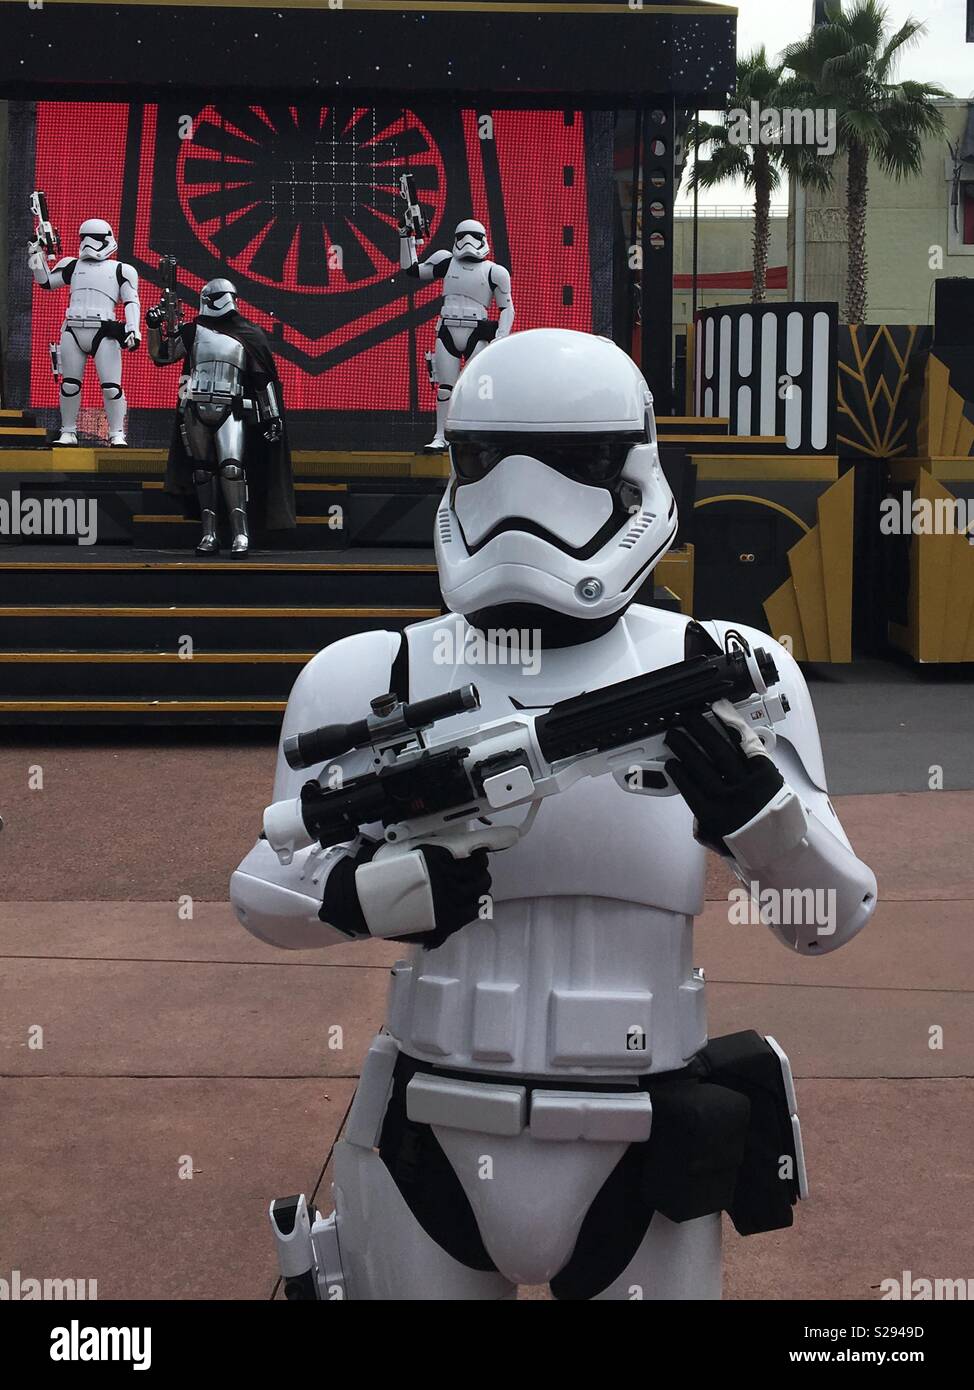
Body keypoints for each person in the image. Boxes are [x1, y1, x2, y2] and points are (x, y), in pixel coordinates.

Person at [231, 329, 877, 1300]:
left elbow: (828, 918)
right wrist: (377, 893)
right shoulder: (372, 674)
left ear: (630, 469)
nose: (519, 494)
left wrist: (762, 820)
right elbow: (263, 889)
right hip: (430, 1123)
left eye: (570, 459)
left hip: (642, 1131)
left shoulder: (718, 664)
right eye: (487, 457)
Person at [146, 279, 295, 554]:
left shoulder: (249, 334)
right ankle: (209, 534)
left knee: (231, 469)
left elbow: (262, 379)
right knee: (202, 471)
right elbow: (161, 355)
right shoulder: (193, 331)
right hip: (196, 408)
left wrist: (272, 415)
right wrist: (154, 327)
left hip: (231, 408)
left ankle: (241, 534)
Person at [401, 217, 514, 451]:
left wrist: (500, 338)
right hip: (448, 330)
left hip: (477, 333)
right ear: (455, 239)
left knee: (476, 389)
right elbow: (412, 270)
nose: (468, 242)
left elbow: (507, 308)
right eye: (462, 236)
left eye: (474, 236)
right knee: (445, 388)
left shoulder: (495, 272)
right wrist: (405, 237)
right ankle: (441, 436)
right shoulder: (446, 262)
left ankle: (477, 435)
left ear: (483, 239)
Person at [28, 218, 141, 446]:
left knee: (111, 387)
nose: (89, 243)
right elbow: (46, 282)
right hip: (73, 329)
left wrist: (133, 329)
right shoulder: (72, 265)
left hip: (105, 330)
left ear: (107, 239)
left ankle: (117, 433)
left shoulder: (122, 270)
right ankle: (68, 431)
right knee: (70, 384)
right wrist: (35, 253)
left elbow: (131, 301)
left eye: (95, 238)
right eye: (84, 238)